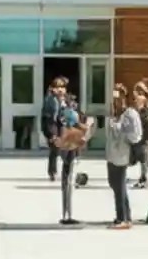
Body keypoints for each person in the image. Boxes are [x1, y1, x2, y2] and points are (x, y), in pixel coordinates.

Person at [105, 83, 143, 230]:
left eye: (119, 97)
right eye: (114, 97)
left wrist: (121, 130)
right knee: (114, 185)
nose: (116, 101)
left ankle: (124, 218)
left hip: (122, 155)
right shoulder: (115, 114)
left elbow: (136, 135)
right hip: (112, 155)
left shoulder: (130, 114)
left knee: (120, 186)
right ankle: (122, 215)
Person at [55, 94, 95, 226]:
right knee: (69, 182)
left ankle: (66, 213)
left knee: (66, 182)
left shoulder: (65, 114)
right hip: (70, 149)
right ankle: (68, 215)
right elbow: (78, 128)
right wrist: (88, 125)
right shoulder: (68, 114)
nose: (73, 104)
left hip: (67, 149)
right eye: (71, 101)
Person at [131, 82, 148, 190]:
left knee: (147, 161)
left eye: (135, 91)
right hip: (146, 136)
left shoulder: (143, 102)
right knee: (145, 159)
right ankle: (144, 179)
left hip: (147, 136)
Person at [42, 77, 67, 181]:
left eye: (62, 87)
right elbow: (50, 117)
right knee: (55, 150)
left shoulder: (59, 99)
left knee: (57, 150)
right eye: (58, 87)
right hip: (52, 127)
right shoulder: (50, 99)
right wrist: (50, 133)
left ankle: (54, 171)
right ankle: (53, 172)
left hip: (58, 127)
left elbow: (61, 114)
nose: (60, 89)